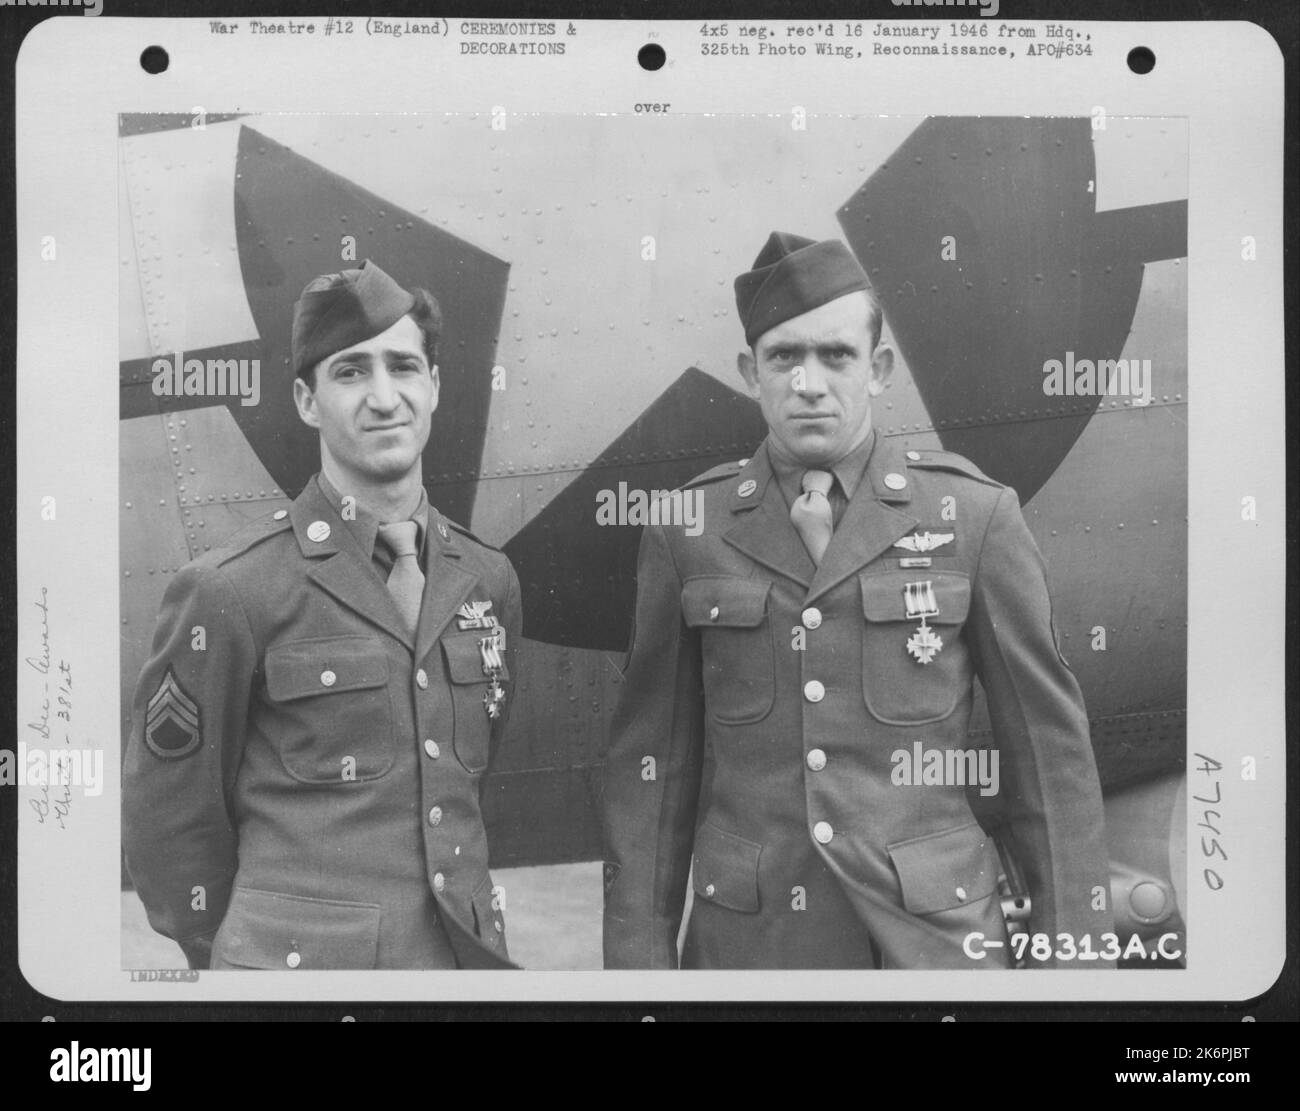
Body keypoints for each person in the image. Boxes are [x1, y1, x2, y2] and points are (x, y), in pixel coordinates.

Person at [602, 232, 1113, 970]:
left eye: (835, 356)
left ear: (877, 370)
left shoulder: (972, 515)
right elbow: (649, 774)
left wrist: (1075, 976)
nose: (809, 382)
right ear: (751, 372)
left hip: (935, 948)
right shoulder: (689, 528)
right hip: (754, 950)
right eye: (783, 357)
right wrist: (638, 978)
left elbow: (1049, 757)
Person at [124, 260, 520, 970]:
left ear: (434, 386)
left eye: (403, 366)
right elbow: (168, 822)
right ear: (307, 400)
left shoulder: (488, 579)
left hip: (463, 971)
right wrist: (252, 956)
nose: (383, 396)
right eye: (350, 372)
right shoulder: (231, 590)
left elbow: (459, 778)